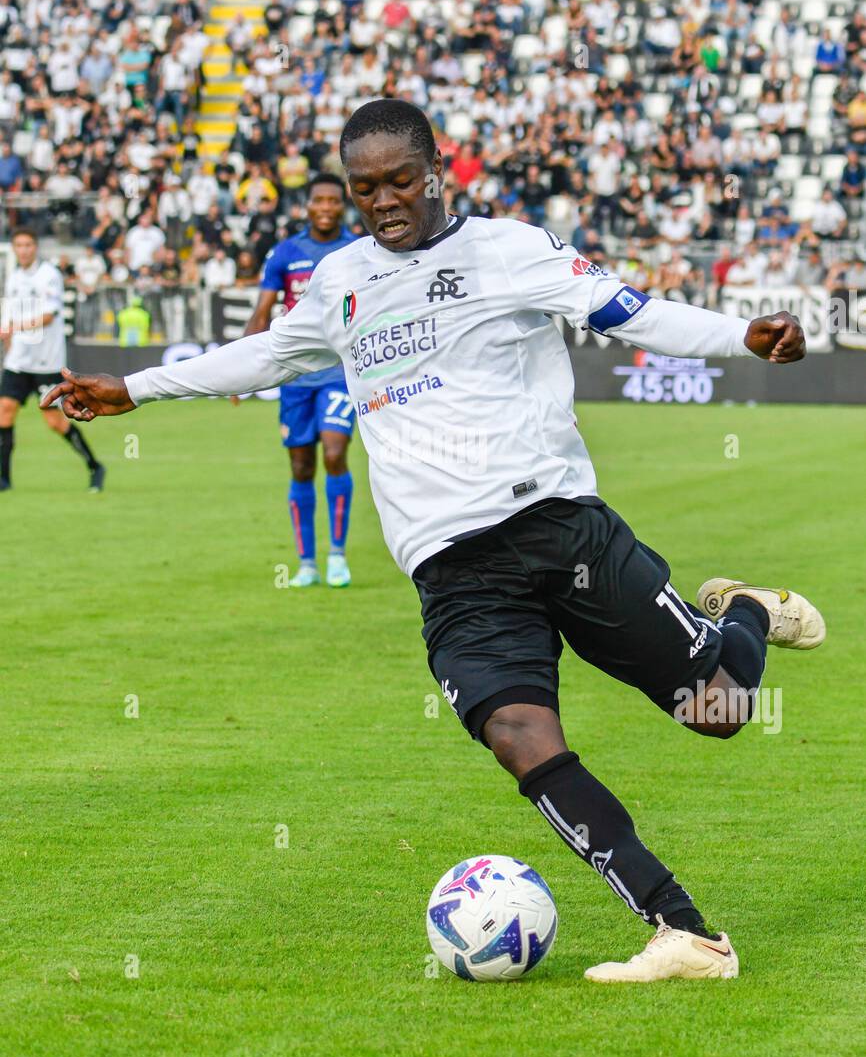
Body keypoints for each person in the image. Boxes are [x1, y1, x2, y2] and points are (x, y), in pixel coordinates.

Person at [42, 101, 824, 982]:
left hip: (556, 525)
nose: (382, 201)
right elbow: (262, 355)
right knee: (519, 733)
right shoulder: (339, 284)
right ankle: (683, 932)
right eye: (363, 186)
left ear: (437, 170)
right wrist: (136, 389)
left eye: (399, 181)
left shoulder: (512, 249)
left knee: (715, 712)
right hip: (452, 571)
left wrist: (742, 337)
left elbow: (627, 311)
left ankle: (750, 609)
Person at [239, 174, 356, 589]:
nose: (325, 207)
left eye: (332, 201)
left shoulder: (357, 251)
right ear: (306, 206)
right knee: (302, 465)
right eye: (318, 201)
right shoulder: (286, 253)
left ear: (342, 205)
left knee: (334, 452)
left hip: (340, 374)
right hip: (294, 377)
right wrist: (240, 374)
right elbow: (261, 314)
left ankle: (337, 555)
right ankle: (306, 561)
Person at [1, 228, 105, 492]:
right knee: (4, 413)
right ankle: (4, 479)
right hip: (18, 362)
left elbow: (49, 316)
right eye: (19, 245)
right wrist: (9, 340)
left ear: (35, 247)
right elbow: (10, 318)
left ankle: (95, 465)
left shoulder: (49, 275)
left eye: (28, 245)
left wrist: (17, 327)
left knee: (55, 423)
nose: (23, 250)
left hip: (46, 362)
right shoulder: (13, 279)